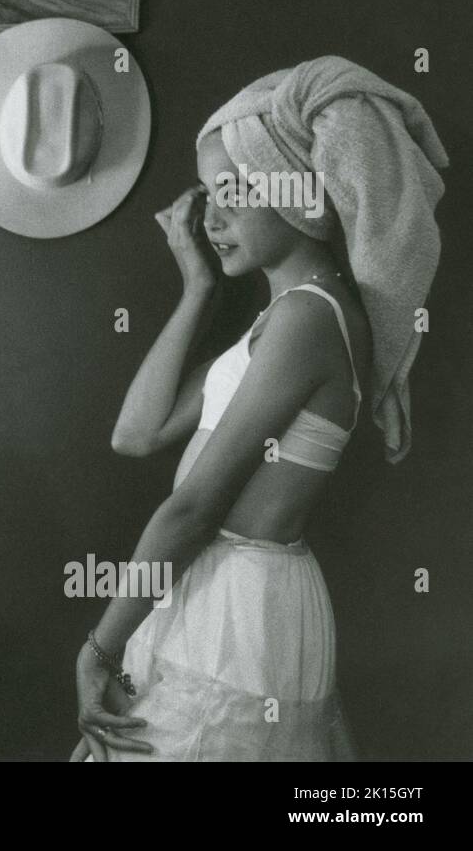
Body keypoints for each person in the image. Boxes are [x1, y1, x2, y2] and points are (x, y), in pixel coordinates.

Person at [72, 56, 448, 761]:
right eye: (208, 195)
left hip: (240, 612)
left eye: (233, 192)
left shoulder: (309, 319)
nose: (213, 217)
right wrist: (197, 288)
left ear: (299, 191)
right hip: (207, 591)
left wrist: (100, 645)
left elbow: (194, 508)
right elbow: (137, 431)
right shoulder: (282, 316)